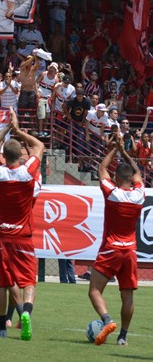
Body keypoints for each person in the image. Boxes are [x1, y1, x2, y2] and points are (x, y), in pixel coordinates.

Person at [0, 109, 44, 340]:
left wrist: (7, 128)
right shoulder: (28, 173)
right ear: (20, 153)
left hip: (2, 236)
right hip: (24, 237)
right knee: (29, 281)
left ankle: (1, 327)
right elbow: (39, 146)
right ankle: (26, 312)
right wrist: (19, 130)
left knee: (1, 284)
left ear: (4, 155)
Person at [89, 134, 145, 346]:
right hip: (130, 250)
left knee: (94, 290)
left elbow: (101, 169)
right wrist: (125, 152)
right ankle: (123, 336)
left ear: (116, 177)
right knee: (127, 295)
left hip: (111, 249)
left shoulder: (112, 193)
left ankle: (107, 320)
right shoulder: (140, 194)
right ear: (131, 179)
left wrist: (114, 149)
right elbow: (138, 172)